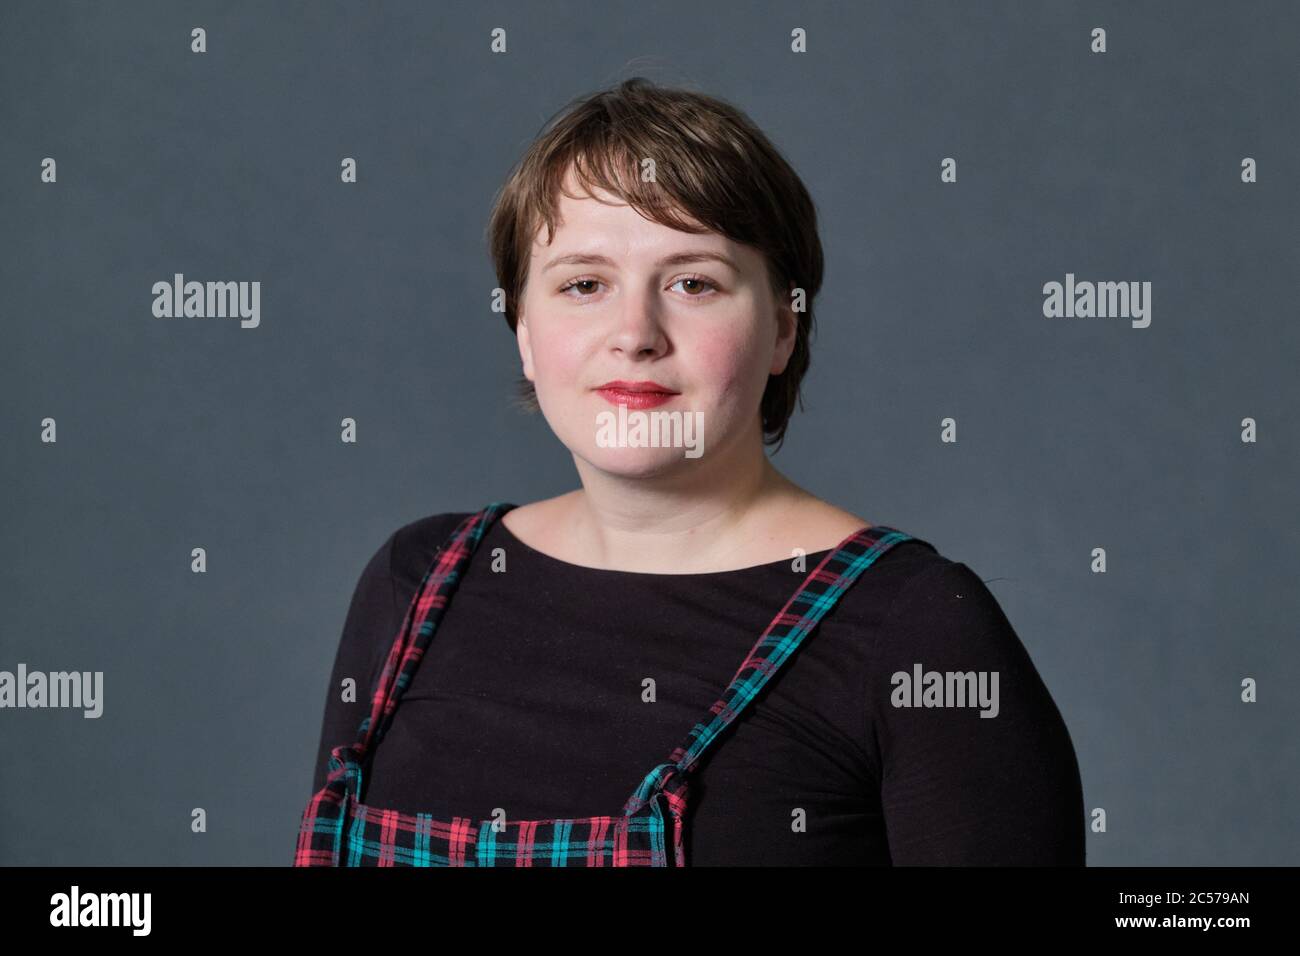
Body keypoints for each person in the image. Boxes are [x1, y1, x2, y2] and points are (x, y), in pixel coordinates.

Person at [295, 77, 1085, 867]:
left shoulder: (919, 630)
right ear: (525, 332)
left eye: (693, 282)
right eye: (583, 284)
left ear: (781, 330)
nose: (634, 332)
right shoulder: (415, 583)